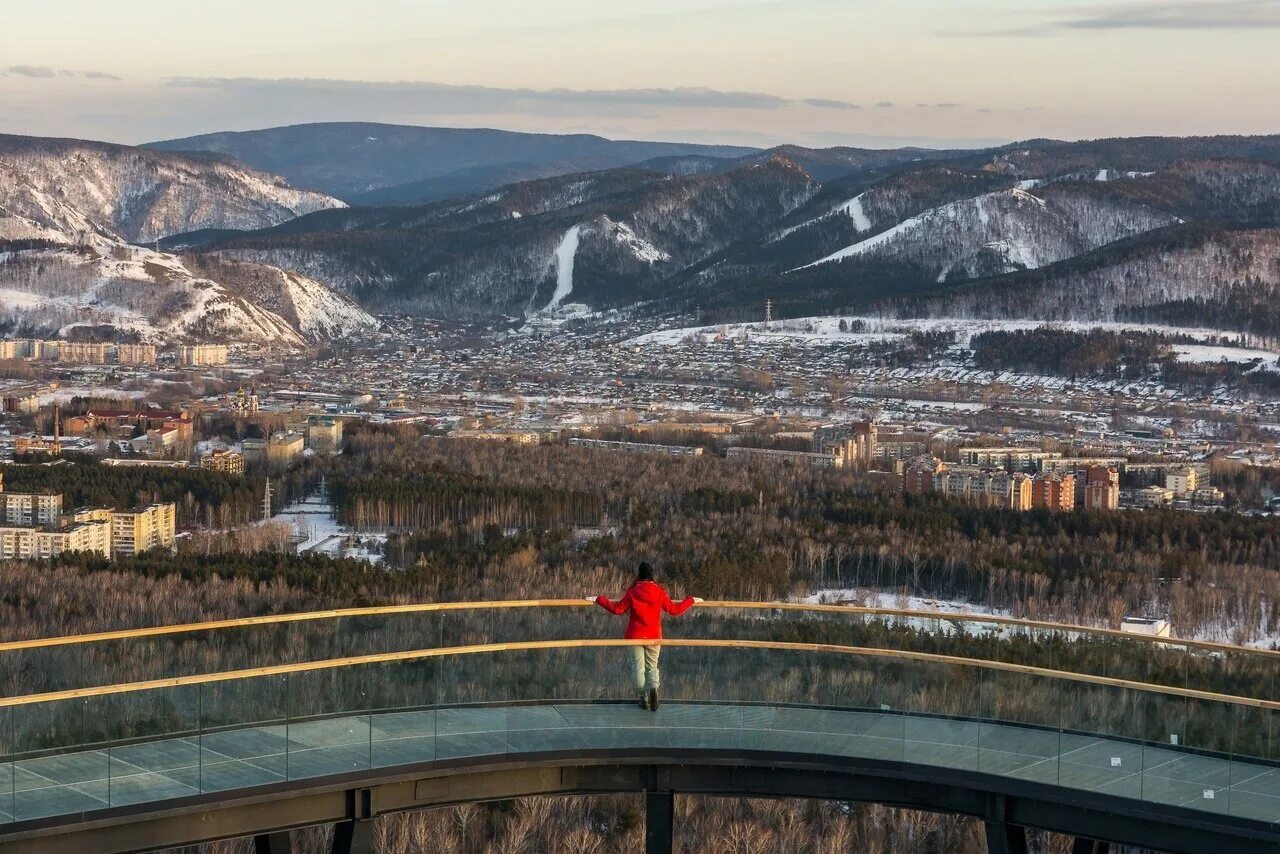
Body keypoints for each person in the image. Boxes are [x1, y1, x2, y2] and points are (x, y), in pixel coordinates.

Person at [589, 562, 702, 711]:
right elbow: (675, 610)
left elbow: (617, 609)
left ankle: (643, 698)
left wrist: (599, 599)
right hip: (654, 636)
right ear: (651, 575)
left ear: (639, 576)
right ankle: (654, 687)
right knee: (652, 666)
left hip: (634, 636)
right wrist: (691, 600)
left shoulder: (633, 592)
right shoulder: (659, 592)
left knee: (638, 668)